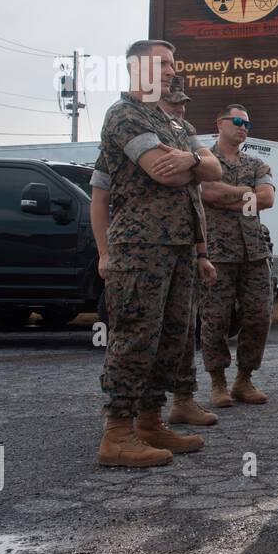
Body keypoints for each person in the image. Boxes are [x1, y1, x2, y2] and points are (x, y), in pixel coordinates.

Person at [92, 40, 223, 467]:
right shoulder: (124, 114)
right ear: (135, 66)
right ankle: (116, 434)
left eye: (173, 63)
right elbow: (160, 172)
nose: (171, 70)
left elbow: (214, 167)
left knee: (172, 338)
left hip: (179, 245)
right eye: (163, 63)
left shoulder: (173, 122)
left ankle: (149, 422)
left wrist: (190, 157)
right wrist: (194, 161)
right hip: (141, 245)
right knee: (136, 336)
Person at [198, 104, 276, 408]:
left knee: (259, 316)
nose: (244, 127)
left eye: (248, 123)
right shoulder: (205, 160)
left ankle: (244, 379)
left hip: (254, 252)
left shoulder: (256, 163)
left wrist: (230, 196)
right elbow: (208, 192)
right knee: (215, 319)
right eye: (238, 121)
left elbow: (267, 198)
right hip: (218, 253)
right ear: (220, 123)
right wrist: (246, 194)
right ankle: (218, 382)